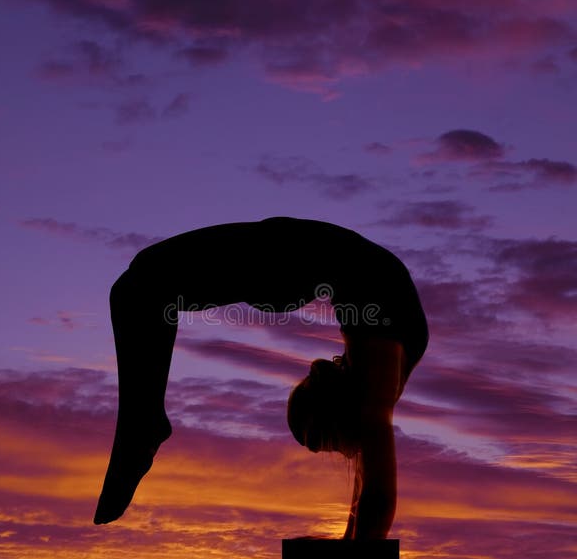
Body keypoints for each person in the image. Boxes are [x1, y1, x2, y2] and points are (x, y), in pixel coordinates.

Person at [93, 216, 428, 538]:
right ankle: (144, 424)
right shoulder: (377, 381)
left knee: (139, 287)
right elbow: (377, 493)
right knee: (137, 287)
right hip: (289, 260)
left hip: (294, 256)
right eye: (324, 442)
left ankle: (144, 423)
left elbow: (365, 481)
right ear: (333, 415)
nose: (344, 453)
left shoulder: (375, 379)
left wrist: (347, 542)